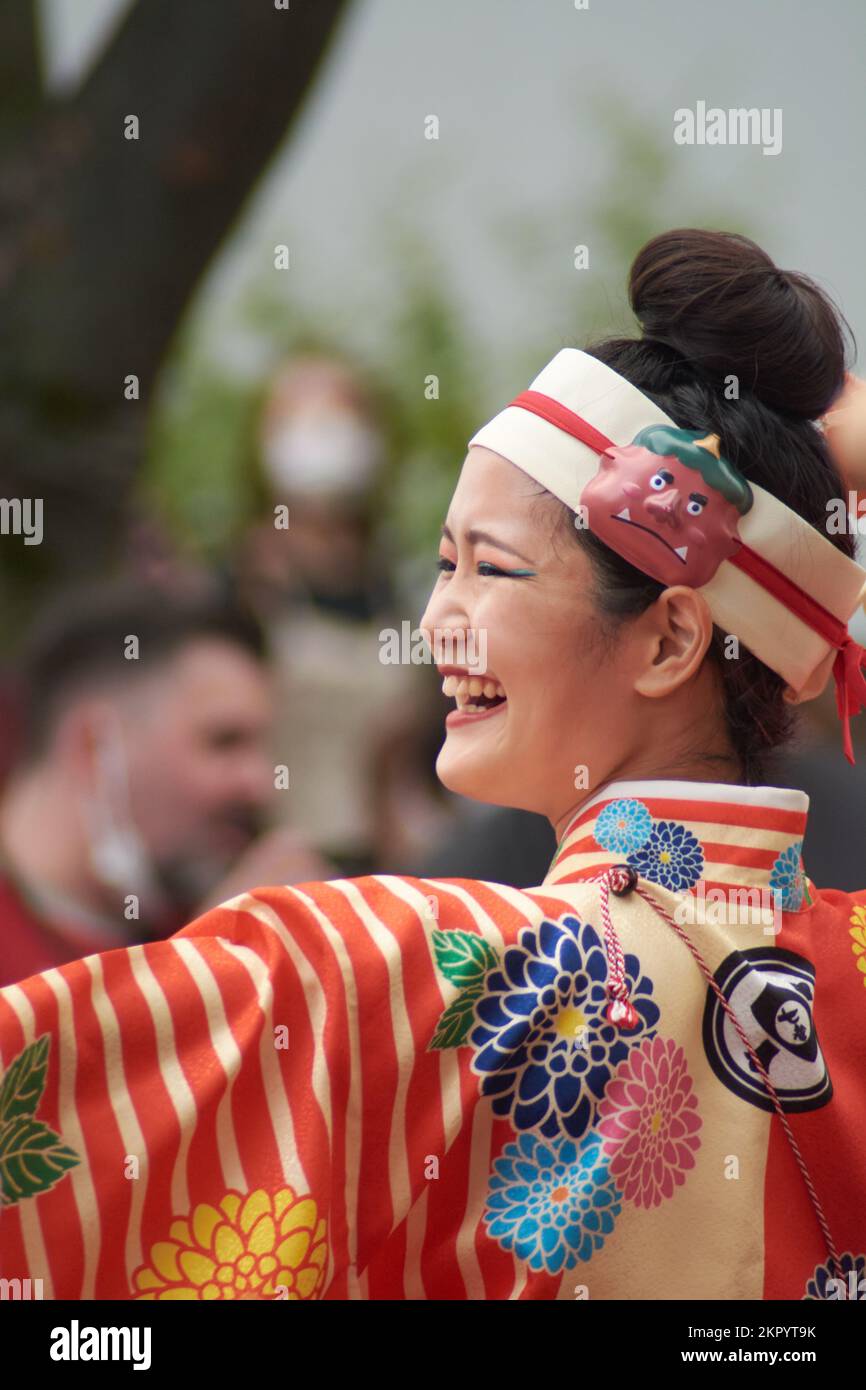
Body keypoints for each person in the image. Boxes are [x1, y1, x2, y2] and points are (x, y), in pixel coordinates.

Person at [2, 229, 865, 1302]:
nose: (434, 620)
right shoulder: (852, 966)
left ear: (667, 642)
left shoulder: (390, 968)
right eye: (441, 563)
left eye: (489, 569)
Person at [0, 581, 328, 986]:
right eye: (224, 741)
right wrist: (203, 969)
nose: (261, 784)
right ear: (94, 749)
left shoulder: (190, 904)